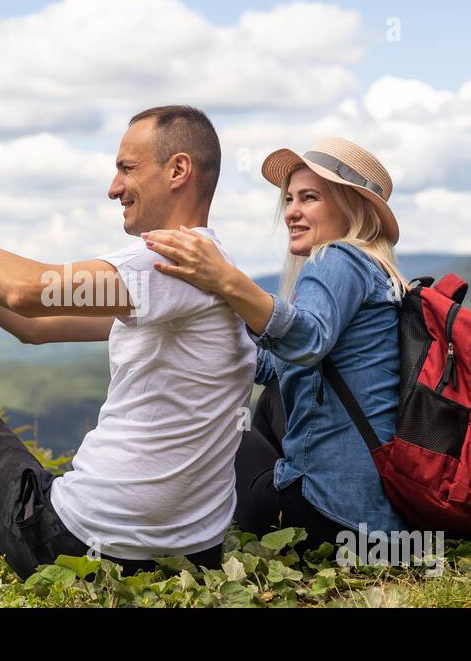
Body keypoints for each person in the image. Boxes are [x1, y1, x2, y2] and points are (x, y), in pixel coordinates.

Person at [0, 105, 255, 582]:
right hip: (191, 553)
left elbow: (28, 291)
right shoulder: (206, 272)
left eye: (126, 168)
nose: (114, 188)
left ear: (178, 169)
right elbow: (32, 324)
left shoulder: (164, 264)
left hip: (85, 545)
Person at [141, 136, 413, 551]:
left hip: (329, 519)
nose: (292, 212)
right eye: (289, 199)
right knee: (271, 399)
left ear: (351, 206)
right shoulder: (378, 273)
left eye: (309, 198)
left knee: (222, 426)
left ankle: (161, 530)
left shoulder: (339, 258)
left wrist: (227, 281)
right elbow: (275, 365)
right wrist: (204, 325)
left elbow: (307, 339)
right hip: (374, 522)